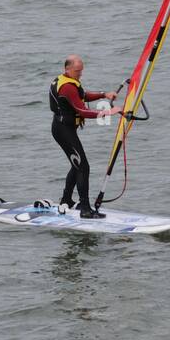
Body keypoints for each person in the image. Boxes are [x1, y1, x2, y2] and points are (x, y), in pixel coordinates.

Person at [49, 55, 122, 218]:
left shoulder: (68, 80)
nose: (80, 74)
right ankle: (85, 209)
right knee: (83, 167)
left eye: (81, 70)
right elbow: (83, 111)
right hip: (63, 131)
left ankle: (66, 200)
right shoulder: (66, 87)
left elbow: (82, 95)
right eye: (77, 71)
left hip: (65, 128)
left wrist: (104, 94)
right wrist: (108, 112)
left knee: (77, 165)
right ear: (67, 69)